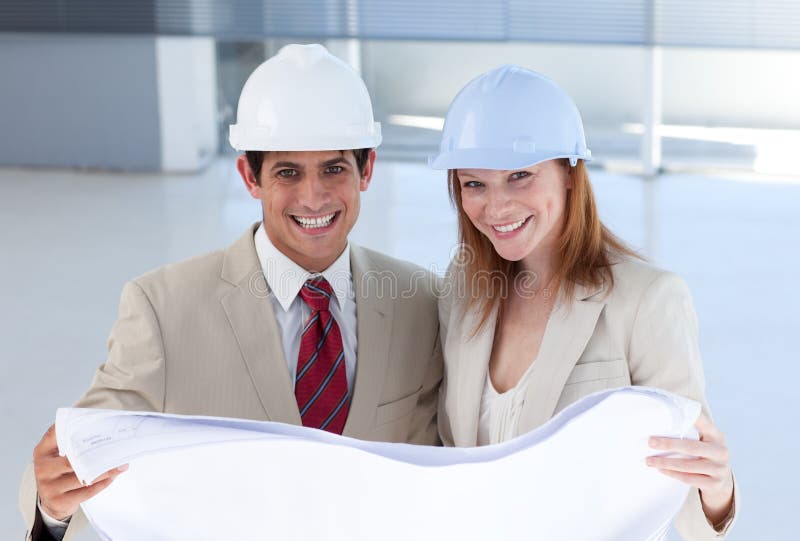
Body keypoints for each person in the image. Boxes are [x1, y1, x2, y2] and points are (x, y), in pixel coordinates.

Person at [20, 44, 442, 541]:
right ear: (250, 177)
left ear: (366, 170)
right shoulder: (164, 309)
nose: (314, 197)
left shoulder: (421, 302)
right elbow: (83, 452)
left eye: (334, 168)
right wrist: (50, 504)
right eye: (288, 172)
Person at [431, 65, 737, 540]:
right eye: (474, 184)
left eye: (520, 176)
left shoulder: (648, 300)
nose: (496, 207)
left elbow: (693, 512)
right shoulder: (463, 289)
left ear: (570, 173)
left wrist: (717, 491)